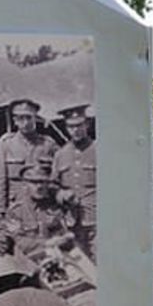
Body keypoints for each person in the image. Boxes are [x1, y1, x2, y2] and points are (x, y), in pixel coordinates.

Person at [0, 164, 75, 258]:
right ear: (25, 184)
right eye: (34, 182)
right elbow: (19, 242)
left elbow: (65, 239)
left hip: (54, 259)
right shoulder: (16, 212)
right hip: (26, 264)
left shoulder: (56, 209)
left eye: (42, 182)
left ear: (48, 184)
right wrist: (47, 243)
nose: (39, 187)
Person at [0, 99, 58, 217]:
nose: (26, 122)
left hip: (43, 207)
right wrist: (0, 209)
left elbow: (57, 177)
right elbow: (0, 180)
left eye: (29, 118)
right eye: (21, 118)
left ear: (36, 118)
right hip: (16, 206)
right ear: (15, 121)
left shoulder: (48, 144)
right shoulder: (7, 143)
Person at [53, 104, 96, 259]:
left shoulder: (100, 149)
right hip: (72, 221)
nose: (75, 130)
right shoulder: (60, 154)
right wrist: (62, 195)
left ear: (87, 124)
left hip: (97, 219)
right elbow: (53, 186)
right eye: (70, 127)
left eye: (79, 125)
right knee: (79, 263)